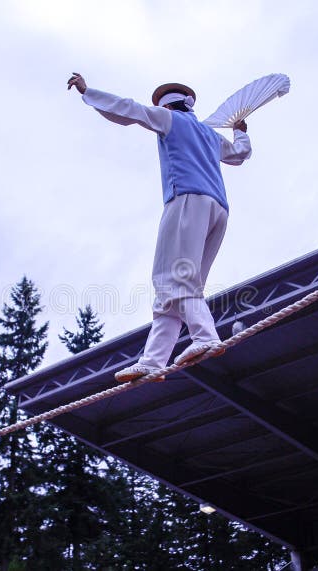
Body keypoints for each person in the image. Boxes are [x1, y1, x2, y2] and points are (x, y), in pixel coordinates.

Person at [67, 72, 252, 382]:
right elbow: (239, 154)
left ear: (166, 106)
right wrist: (241, 133)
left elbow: (128, 109)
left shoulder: (169, 119)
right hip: (218, 210)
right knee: (177, 290)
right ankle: (154, 360)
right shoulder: (209, 134)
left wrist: (88, 93)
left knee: (174, 279)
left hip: (186, 202)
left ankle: (205, 337)